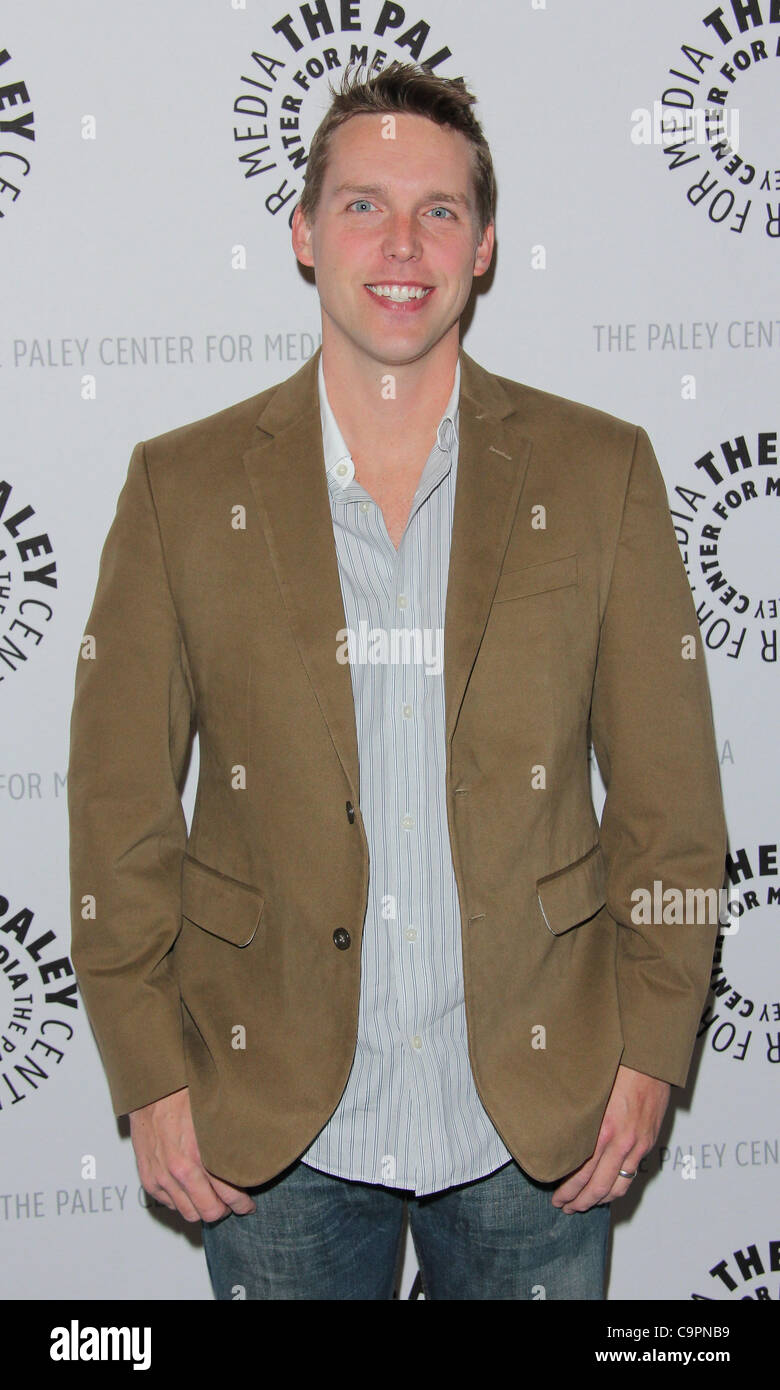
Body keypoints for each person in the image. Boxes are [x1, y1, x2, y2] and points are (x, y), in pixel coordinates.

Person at [68, 61, 727, 1301]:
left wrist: (651, 1053)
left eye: (439, 210)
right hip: (273, 1121)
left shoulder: (603, 474)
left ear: (482, 247)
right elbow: (119, 818)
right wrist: (150, 1071)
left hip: (540, 1117)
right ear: (305, 234)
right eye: (365, 204)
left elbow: (674, 816)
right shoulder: (181, 488)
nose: (403, 242)